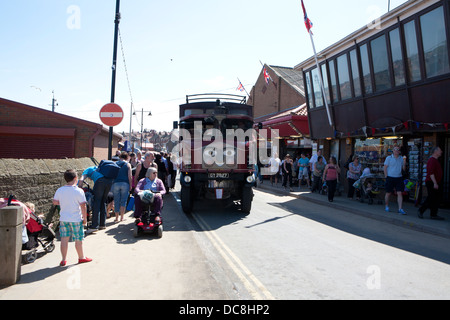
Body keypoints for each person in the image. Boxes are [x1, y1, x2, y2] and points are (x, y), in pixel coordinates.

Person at [53, 169, 92, 266]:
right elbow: (83, 206)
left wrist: (63, 202)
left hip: (63, 218)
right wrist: (85, 219)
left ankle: (63, 259)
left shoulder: (60, 190)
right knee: (78, 239)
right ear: (75, 178)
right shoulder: (79, 191)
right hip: (76, 219)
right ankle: (81, 257)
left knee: (64, 240)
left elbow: (55, 202)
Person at [78, 164, 113, 233]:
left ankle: (94, 226)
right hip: (109, 181)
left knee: (96, 202)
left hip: (100, 182)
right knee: (103, 202)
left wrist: (79, 189)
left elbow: (81, 179)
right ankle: (102, 224)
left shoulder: (87, 170)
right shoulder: (99, 169)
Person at [418, 147, 444, 220]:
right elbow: (431, 173)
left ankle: (433, 214)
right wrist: (435, 183)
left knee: (436, 199)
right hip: (431, 182)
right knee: (431, 198)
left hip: (436, 182)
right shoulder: (432, 160)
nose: (441, 151)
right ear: (435, 152)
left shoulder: (436, 160)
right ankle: (421, 210)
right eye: (440, 150)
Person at [384, 146, 407, 214]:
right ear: (393, 151)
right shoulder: (389, 158)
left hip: (399, 177)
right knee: (388, 193)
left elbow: (404, 169)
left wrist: (405, 162)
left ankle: (400, 208)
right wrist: (386, 176)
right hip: (390, 177)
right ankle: (387, 206)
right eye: (395, 149)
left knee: (399, 193)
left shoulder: (401, 158)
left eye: (398, 150)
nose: (397, 151)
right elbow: (385, 167)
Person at [112, 151, 133, 222]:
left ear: (120, 157)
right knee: (123, 201)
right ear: (127, 157)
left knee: (116, 200)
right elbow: (130, 176)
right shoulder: (128, 164)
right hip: (125, 183)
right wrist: (130, 185)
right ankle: (122, 217)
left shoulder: (115, 163)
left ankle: (116, 218)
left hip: (116, 183)